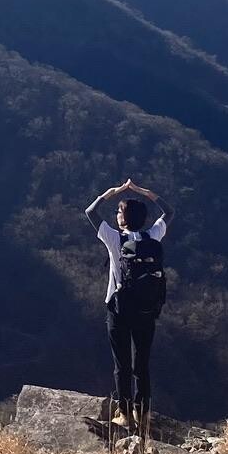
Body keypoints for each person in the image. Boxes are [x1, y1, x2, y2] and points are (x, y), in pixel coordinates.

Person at [83, 178, 170, 437]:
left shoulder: (114, 238)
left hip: (119, 310)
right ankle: (142, 416)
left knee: (122, 364)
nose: (116, 214)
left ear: (123, 218)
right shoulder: (152, 235)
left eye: (119, 211)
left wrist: (111, 192)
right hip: (146, 310)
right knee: (141, 365)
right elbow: (170, 212)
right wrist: (145, 192)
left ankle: (124, 415)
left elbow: (90, 212)